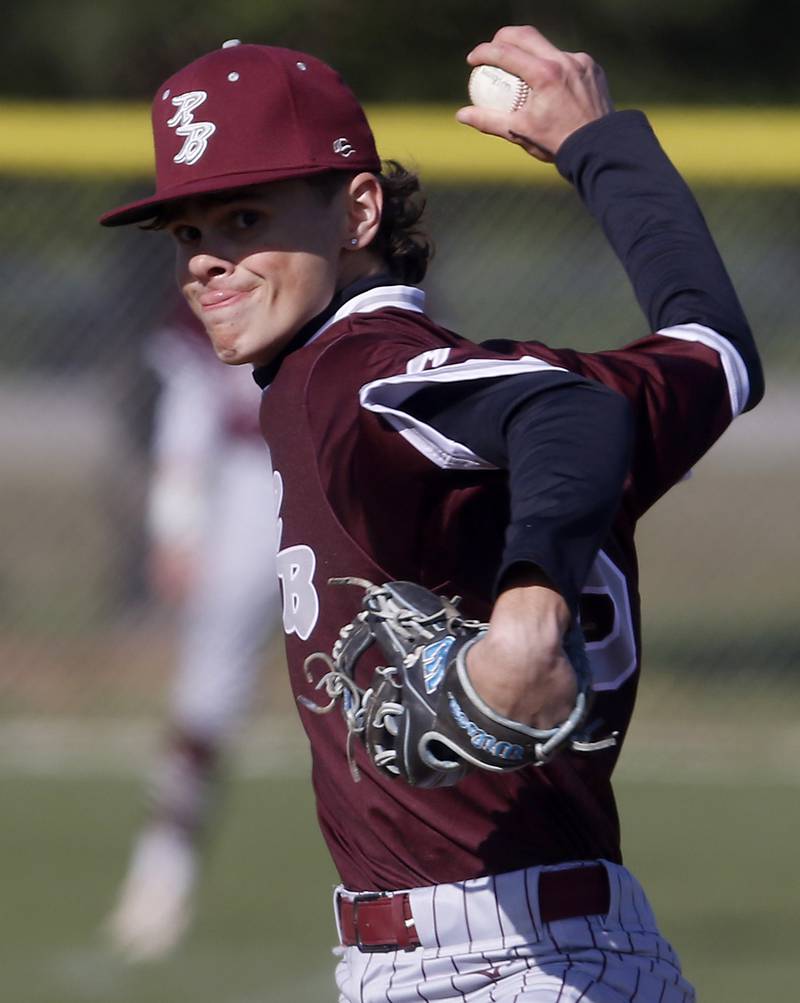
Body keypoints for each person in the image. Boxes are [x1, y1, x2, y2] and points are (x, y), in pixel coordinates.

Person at [100, 26, 763, 1002]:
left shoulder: (350, 376)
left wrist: (527, 615)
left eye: (243, 218)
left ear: (357, 210)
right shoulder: (413, 387)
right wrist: (600, 146)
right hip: (550, 946)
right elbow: (713, 346)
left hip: (493, 965)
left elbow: (562, 410)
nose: (203, 260)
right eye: (189, 233)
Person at [106, 298, 280, 962]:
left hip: (335, 477)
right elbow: (189, 403)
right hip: (246, 486)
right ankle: (163, 866)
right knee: (205, 697)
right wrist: (177, 522)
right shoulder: (207, 292)